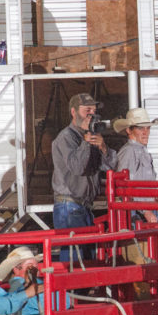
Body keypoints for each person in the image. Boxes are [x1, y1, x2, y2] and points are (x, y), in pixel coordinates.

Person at [51, 93, 118, 261]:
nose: (91, 115)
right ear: (73, 112)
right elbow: (78, 167)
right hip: (69, 206)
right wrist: (86, 143)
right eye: (87, 111)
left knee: (87, 259)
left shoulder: (89, 136)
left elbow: (111, 166)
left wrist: (103, 147)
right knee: (75, 259)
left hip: (83, 206)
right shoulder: (66, 137)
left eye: (94, 111)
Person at [113, 107, 158, 224]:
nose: (146, 132)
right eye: (140, 128)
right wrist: (145, 211)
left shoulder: (140, 150)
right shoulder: (129, 151)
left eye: (148, 128)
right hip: (138, 213)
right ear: (129, 130)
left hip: (146, 209)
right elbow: (126, 185)